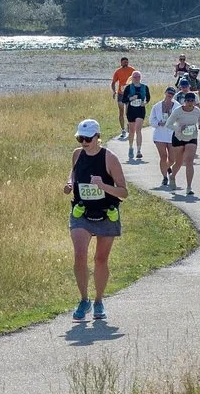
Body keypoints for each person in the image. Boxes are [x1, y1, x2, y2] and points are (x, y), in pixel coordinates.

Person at [65, 118, 127, 322]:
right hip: (81, 212)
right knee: (79, 255)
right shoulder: (77, 154)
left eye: (87, 138)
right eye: (80, 138)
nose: (83, 142)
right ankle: (84, 300)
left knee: (100, 259)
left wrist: (103, 186)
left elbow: (123, 192)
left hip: (106, 213)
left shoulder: (110, 158)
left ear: (97, 137)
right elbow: (73, 175)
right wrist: (68, 184)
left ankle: (99, 301)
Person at [170, 90, 200, 197]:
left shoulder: (197, 111)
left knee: (189, 161)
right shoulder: (178, 111)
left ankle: (189, 187)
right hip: (178, 137)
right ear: (184, 101)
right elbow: (168, 124)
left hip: (191, 137)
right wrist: (179, 128)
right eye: (188, 100)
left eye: (192, 101)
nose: (190, 103)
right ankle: (172, 176)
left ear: (194, 102)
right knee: (179, 162)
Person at [118, 68, 152, 164]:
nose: (137, 78)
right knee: (132, 131)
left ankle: (139, 151)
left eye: (138, 76)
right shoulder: (128, 88)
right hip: (131, 110)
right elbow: (124, 100)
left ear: (140, 78)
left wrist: (144, 103)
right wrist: (131, 98)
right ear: (132, 78)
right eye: (135, 77)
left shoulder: (145, 87)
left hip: (140, 110)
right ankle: (130, 147)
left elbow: (148, 98)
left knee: (138, 129)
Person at [149, 85, 179, 189]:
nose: (169, 95)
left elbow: (180, 120)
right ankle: (165, 177)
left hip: (172, 134)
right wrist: (158, 123)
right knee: (163, 157)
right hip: (159, 135)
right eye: (168, 93)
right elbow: (151, 121)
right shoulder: (156, 106)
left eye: (172, 94)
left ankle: (167, 167)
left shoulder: (177, 106)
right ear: (165, 93)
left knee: (172, 159)